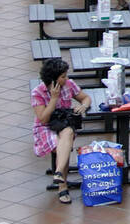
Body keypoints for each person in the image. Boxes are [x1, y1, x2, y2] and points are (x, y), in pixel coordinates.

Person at [31, 58, 91, 204]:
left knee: (68, 133)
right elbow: (43, 119)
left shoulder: (69, 85)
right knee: (62, 144)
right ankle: (62, 184)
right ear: (54, 79)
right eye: (63, 76)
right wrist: (53, 98)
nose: (67, 79)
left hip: (64, 123)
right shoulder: (37, 92)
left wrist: (83, 106)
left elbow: (86, 98)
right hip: (45, 127)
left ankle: (58, 174)